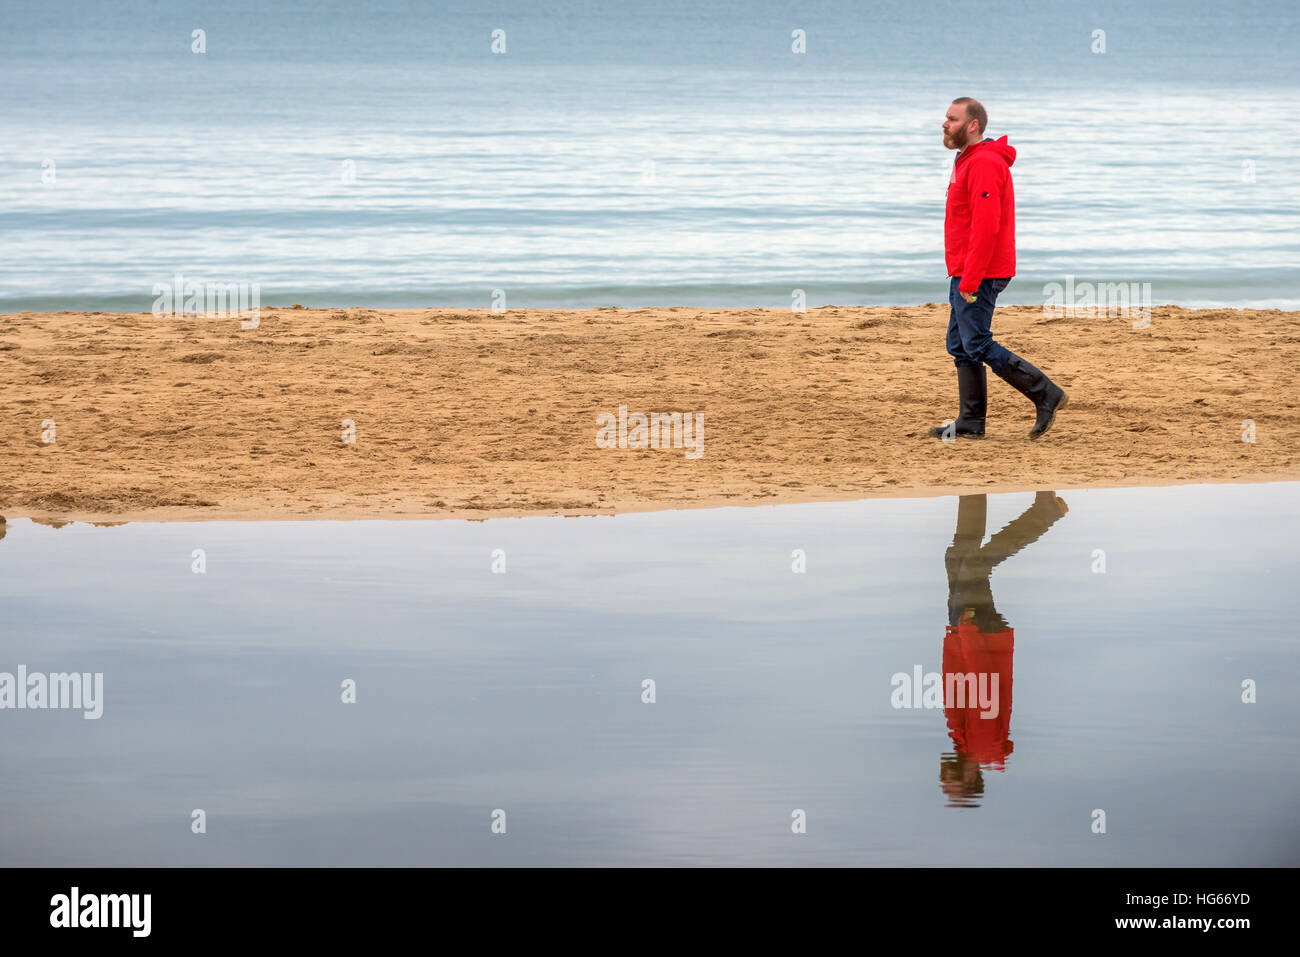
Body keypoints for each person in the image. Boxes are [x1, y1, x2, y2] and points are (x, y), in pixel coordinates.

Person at [929, 97, 1069, 441]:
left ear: (972, 124)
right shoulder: (967, 159)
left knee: (976, 342)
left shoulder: (985, 163)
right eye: (945, 118)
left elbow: (987, 226)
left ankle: (1045, 392)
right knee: (960, 344)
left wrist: (972, 277)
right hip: (965, 267)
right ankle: (971, 421)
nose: (944, 124)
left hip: (981, 271)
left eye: (952, 119)